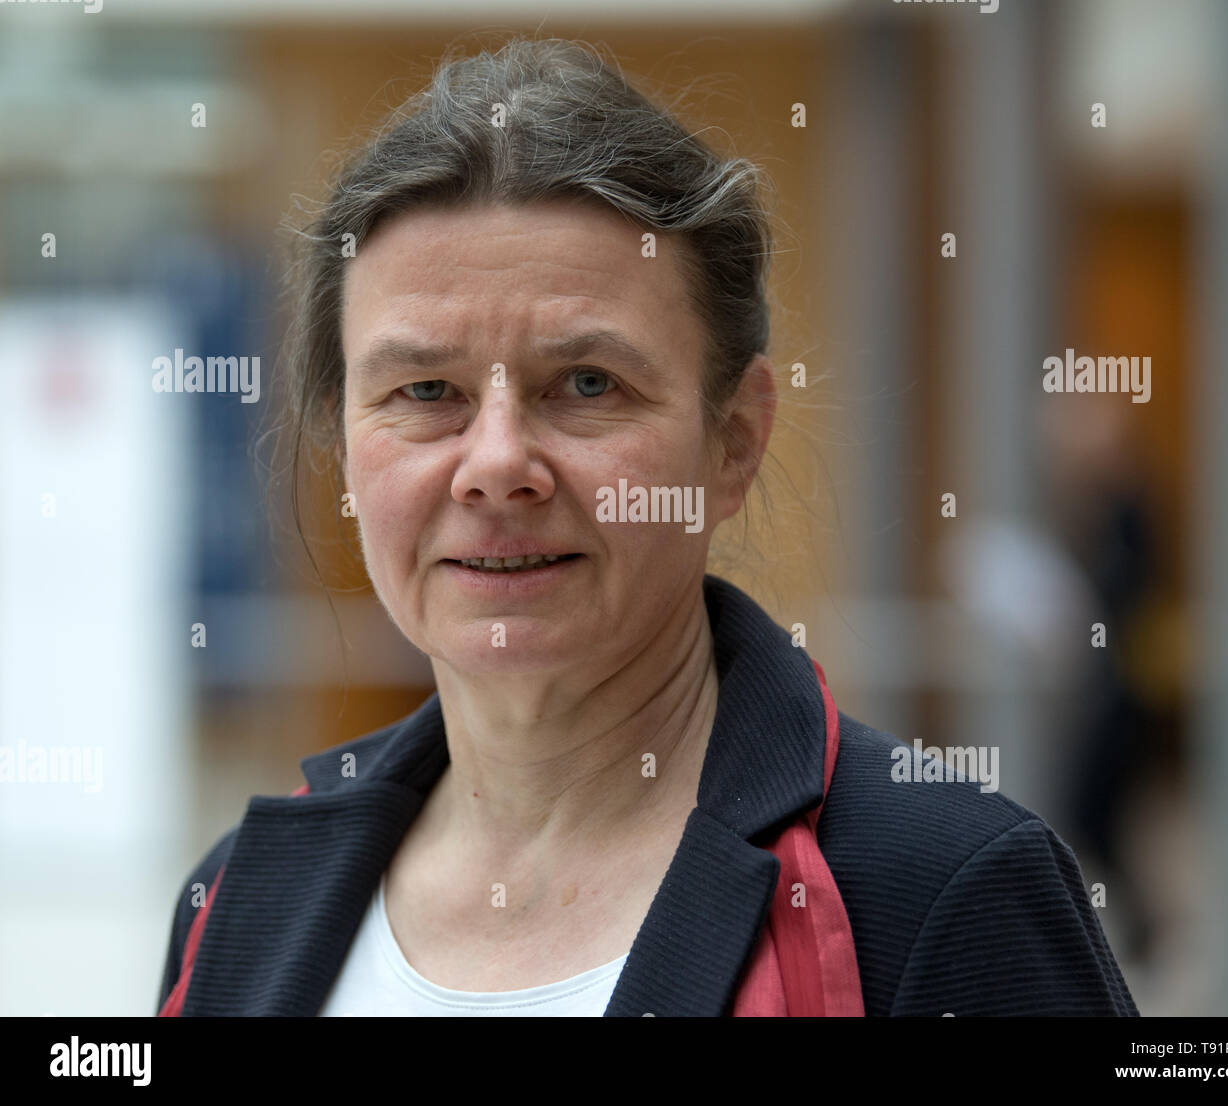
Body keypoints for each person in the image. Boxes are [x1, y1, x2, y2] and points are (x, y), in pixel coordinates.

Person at [156, 37, 1137, 1017]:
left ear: (734, 439)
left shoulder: (938, 895)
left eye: (587, 383)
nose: (497, 463)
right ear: (341, 443)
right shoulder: (240, 896)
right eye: (424, 390)